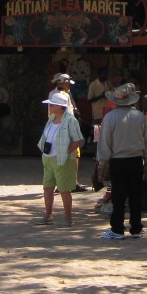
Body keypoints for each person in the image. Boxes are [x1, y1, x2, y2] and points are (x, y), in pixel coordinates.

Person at [96, 82, 147, 240]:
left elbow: (105, 143)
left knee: (118, 196)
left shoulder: (110, 118)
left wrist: (101, 165)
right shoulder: (140, 117)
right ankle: (136, 228)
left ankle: (117, 229)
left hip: (118, 161)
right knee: (136, 196)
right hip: (136, 160)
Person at [34, 90, 85, 227]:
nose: (50, 106)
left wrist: (66, 151)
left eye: (52, 104)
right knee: (47, 188)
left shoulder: (70, 120)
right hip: (48, 158)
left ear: (60, 106)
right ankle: (48, 216)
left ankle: (68, 219)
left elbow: (78, 140)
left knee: (64, 189)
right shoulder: (51, 119)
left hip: (63, 159)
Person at [50, 72, 87, 192]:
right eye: (67, 83)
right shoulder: (59, 95)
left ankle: (69, 182)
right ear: (63, 83)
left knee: (69, 155)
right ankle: (66, 183)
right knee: (67, 154)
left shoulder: (62, 93)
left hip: (63, 127)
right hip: (64, 128)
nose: (69, 85)